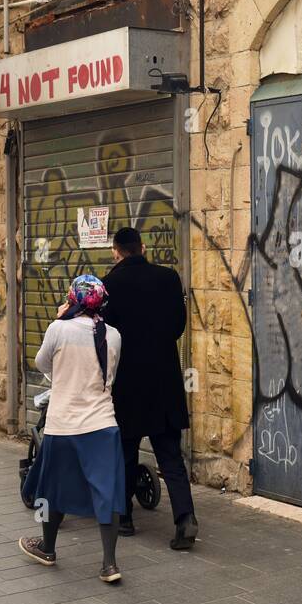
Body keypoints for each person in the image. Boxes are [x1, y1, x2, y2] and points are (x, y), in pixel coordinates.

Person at [19, 274, 127, 582]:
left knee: (52, 488)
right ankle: (109, 564)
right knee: (108, 492)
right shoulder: (115, 335)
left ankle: (48, 548)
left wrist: (60, 323)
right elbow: (111, 376)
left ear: (74, 300)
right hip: (103, 424)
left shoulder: (58, 329)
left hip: (63, 423)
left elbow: (42, 363)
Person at [101, 226, 197, 550]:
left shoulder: (110, 284)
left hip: (127, 382)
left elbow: (106, 335)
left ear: (117, 251)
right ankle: (185, 519)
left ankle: (125, 518)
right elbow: (177, 326)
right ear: (143, 247)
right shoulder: (169, 278)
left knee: (125, 452)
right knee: (170, 455)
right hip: (164, 379)